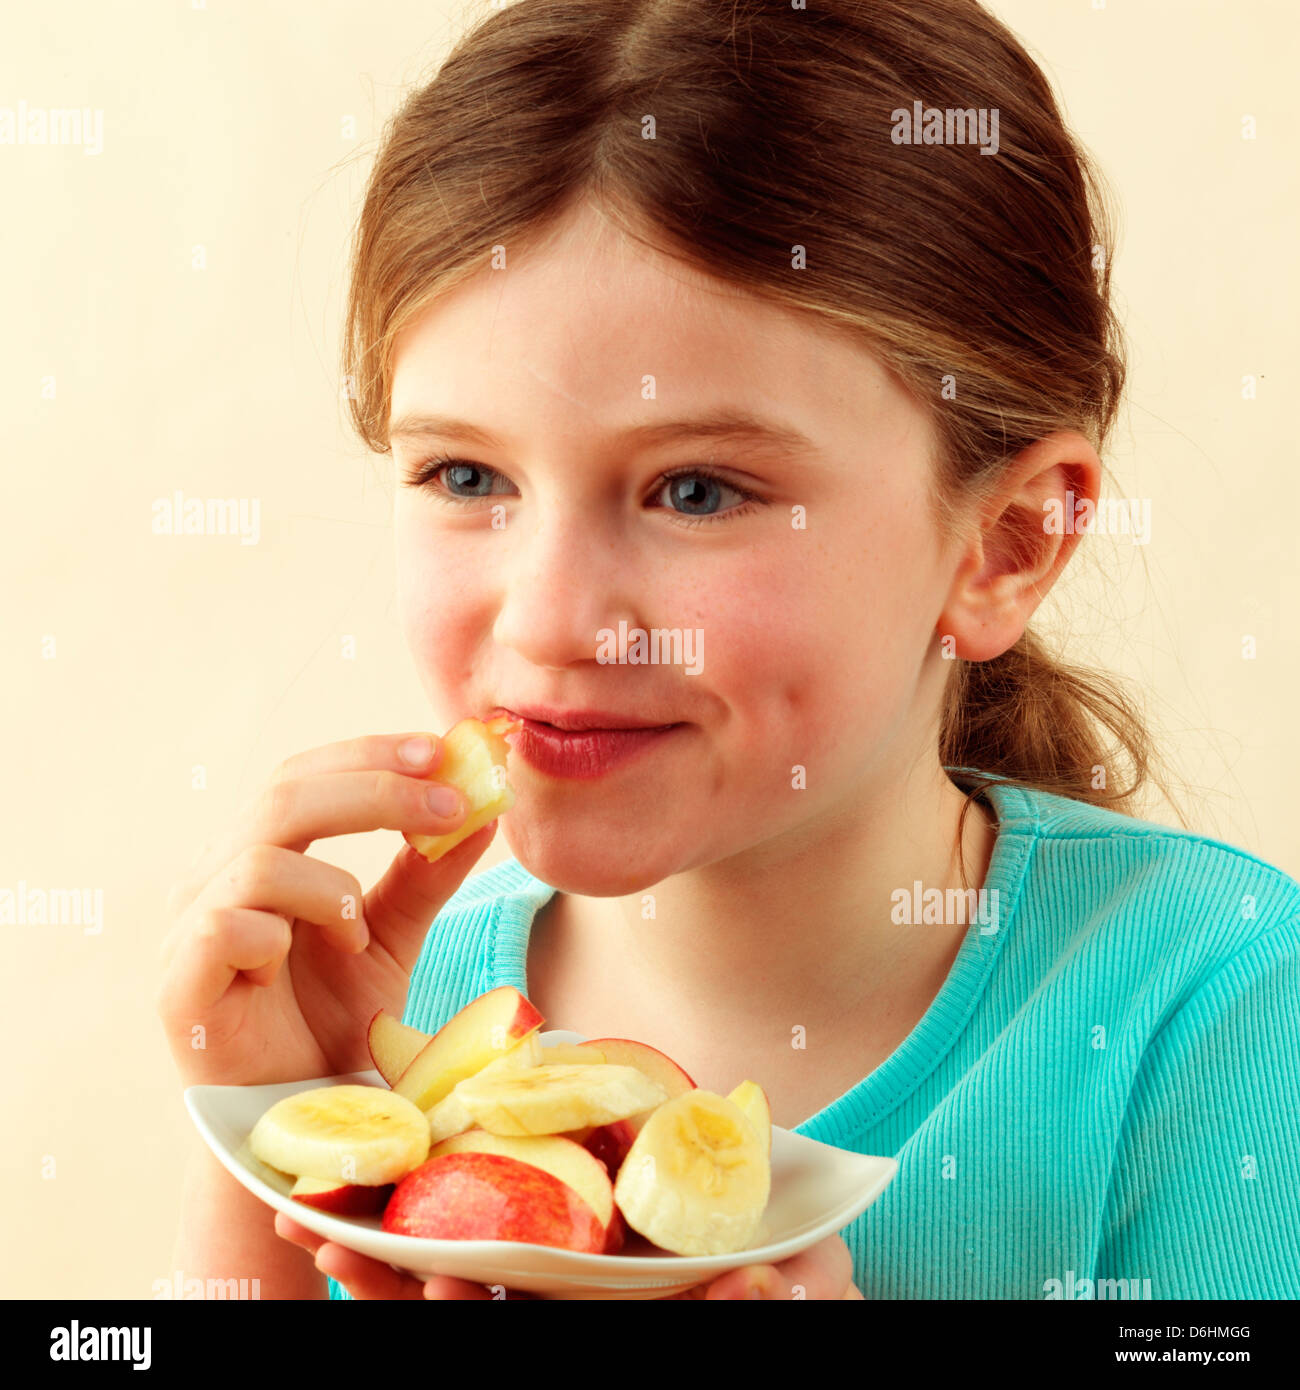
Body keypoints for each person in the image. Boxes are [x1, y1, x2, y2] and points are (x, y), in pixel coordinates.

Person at [159, 0, 1300, 1299]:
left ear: (1006, 545)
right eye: (465, 472)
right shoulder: (401, 1008)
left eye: (697, 490)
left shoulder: (1223, 1012)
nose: (546, 620)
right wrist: (268, 1133)